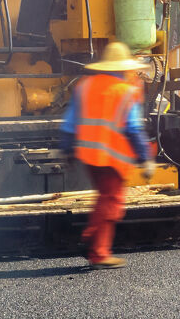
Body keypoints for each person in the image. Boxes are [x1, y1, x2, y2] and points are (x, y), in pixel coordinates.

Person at [64, 41, 154, 268]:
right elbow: (133, 128)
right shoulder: (125, 92)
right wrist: (145, 159)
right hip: (112, 158)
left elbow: (70, 122)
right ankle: (97, 250)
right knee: (112, 202)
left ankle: (93, 243)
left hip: (88, 155)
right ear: (124, 68)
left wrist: (66, 148)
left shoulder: (85, 85)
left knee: (104, 198)